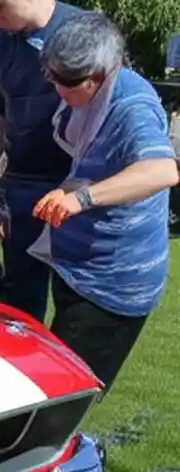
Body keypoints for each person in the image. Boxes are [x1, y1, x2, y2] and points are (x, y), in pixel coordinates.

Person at [20, 13, 177, 392]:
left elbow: (162, 171)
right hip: (77, 266)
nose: (59, 88)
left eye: (70, 82)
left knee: (63, 396)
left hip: (113, 283)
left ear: (103, 73)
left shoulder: (132, 107)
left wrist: (82, 198)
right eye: (53, 76)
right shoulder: (81, 80)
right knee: (49, 381)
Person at [0, 0, 84, 321]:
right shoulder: (0, 39)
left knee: (76, 301)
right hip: (20, 184)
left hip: (74, 186)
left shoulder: (83, 31)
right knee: (17, 302)